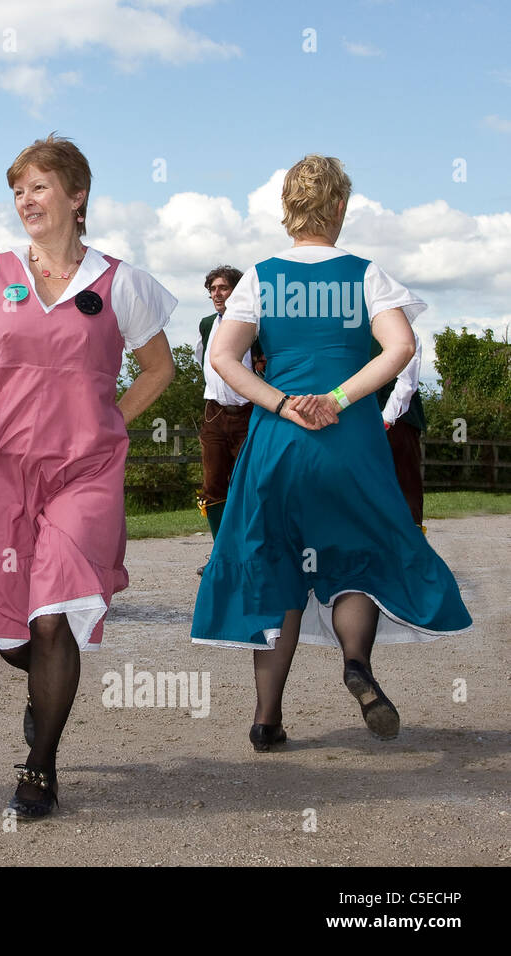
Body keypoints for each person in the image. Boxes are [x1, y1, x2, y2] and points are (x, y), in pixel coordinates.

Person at [191, 155, 471, 752]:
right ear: (339, 206)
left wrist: (283, 402)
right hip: (351, 439)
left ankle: (267, 720)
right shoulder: (366, 274)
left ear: (287, 209)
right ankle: (357, 665)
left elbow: (222, 359)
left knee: (277, 568)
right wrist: (340, 397)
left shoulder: (260, 276)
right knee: (356, 560)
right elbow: (400, 346)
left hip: (280, 441)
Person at [0, 135, 177, 818]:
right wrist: (8, 410)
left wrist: (111, 417)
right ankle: (40, 688)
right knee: (14, 625)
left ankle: (39, 769)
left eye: (40, 187)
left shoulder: (120, 281)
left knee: (55, 616)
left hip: (86, 472)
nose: (26, 200)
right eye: (19, 189)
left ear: (78, 197)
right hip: (4, 468)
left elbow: (159, 368)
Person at [194, 264, 264, 575]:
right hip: (214, 412)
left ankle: (251, 552)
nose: (216, 294)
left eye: (223, 288)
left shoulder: (255, 326)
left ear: (237, 291)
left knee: (251, 485)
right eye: (212, 289)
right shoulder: (207, 324)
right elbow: (202, 361)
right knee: (212, 485)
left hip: (248, 412)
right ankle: (221, 554)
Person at [378, 330, 426, 527]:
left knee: (406, 486)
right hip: (363, 417)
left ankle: (412, 545)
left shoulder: (407, 334)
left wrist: (386, 419)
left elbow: (407, 383)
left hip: (401, 419)